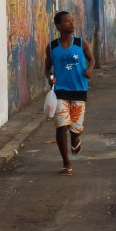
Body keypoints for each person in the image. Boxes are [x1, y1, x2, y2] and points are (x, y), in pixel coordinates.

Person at [45, 11, 94, 175]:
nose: (72, 23)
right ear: (58, 26)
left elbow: (91, 59)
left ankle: (75, 137)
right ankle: (66, 163)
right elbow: (47, 68)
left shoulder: (81, 43)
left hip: (79, 90)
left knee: (75, 127)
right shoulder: (52, 47)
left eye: (72, 21)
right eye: (67, 21)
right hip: (60, 91)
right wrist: (50, 77)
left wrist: (90, 69)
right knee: (61, 125)